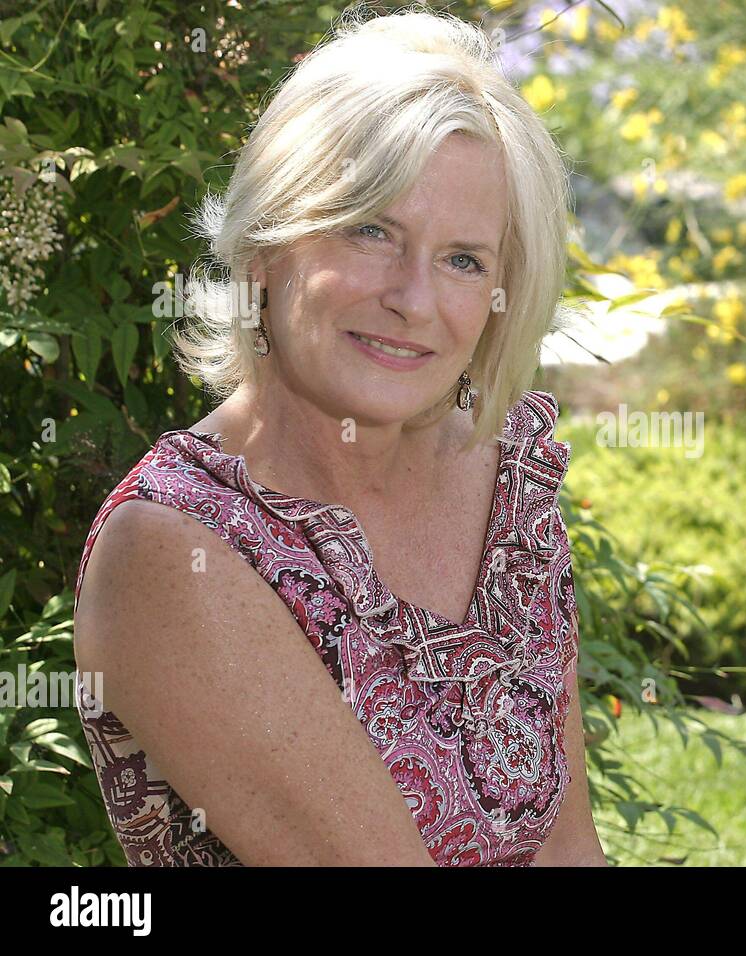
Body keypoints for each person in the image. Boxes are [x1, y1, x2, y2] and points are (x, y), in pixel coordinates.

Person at [71, 7, 605, 867]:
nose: (413, 298)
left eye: (464, 259)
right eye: (371, 231)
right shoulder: (176, 548)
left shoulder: (504, 484)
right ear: (268, 245)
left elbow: (567, 850)